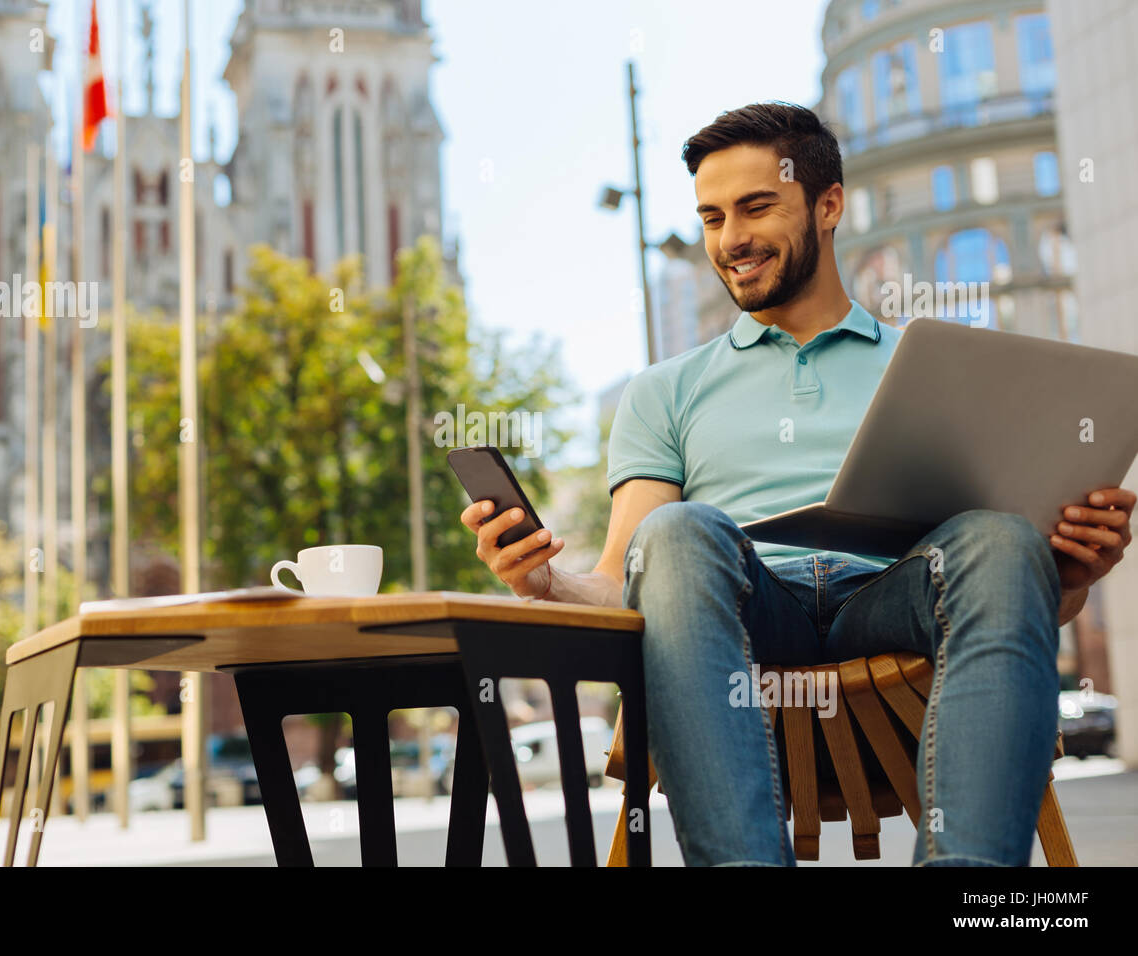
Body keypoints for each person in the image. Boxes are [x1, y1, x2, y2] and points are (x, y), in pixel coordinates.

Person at [461, 102, 1134, 866]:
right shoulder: (665, 390)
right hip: (747, 616)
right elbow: (627, 583)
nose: (730, 240)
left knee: (1004, 537)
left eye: (755, 207)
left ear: (829, 205)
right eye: (711, 217)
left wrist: (1069, 576)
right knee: (675, 532)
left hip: (898, 607)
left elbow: (994, 581)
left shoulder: (934, 364)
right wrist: (547, 581)